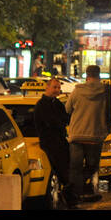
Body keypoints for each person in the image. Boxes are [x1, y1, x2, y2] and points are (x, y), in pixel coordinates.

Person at [67, 65, 111, 202]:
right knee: (92, 165)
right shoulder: (105, 91)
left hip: (77, 135)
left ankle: (75, 194)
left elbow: (67, 109)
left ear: (87, 75)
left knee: (75, 167)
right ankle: (85, 187)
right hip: (95, 135)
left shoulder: (77, 91)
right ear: (99, 75)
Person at [34, 76, 74, 207]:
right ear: (47, 87)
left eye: (58, 88)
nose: (57, 90)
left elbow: (65, 119)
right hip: (50, 145)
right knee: (63, 174)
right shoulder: (42, 105)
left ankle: (68, 202)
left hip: (60, 143)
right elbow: (52, 122)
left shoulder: (56, 103)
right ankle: (67, 202)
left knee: (67, 173)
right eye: (54, 87)